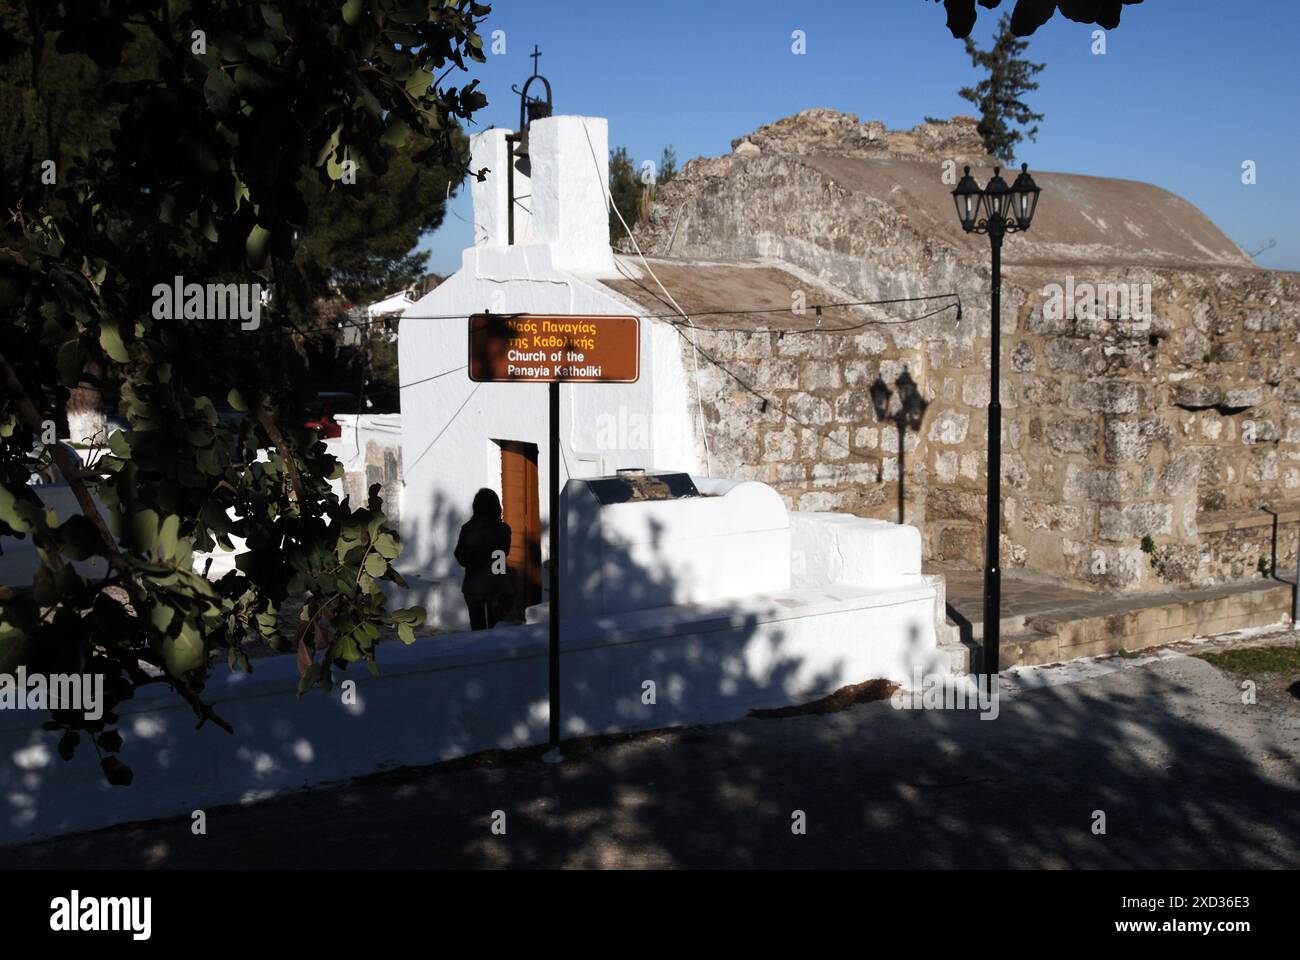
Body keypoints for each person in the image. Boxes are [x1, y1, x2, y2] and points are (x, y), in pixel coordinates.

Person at [454, 488, 514, 630]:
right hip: (497, 585)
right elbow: (505, 552)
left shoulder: (468, 528)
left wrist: (474, 561)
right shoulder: (504, 529)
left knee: (477, 628)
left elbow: (460, 556)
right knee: (496, 628)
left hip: (473, 586)